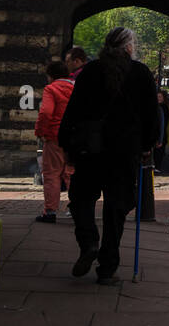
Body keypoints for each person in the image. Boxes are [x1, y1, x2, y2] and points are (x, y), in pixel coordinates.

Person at [57, 26, 158, 284]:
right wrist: (149, 144)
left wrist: (66, 143)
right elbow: (150, 113)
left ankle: (89, 241)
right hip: (124, 151)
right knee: (116, 208)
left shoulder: (90, 70)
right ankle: (107, 266)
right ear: (128, 47)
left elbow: (75, 109)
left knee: (81, 199)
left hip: (91, 149)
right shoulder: (140, 73)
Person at [33, 61, 74, 223]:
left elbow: (46, 113)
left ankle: (50, 211)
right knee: (71, 174)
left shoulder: (51, 89)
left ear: (51, 75)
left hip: (55, 137)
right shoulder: (76, 88)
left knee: (52, 174)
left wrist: (40, 132)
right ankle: (76, 208)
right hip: (73, 138)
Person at [153, 90, 169, 172]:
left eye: (160, 97)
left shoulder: (162, 108)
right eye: (157, 97)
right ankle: (157, 167)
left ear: (163, 98)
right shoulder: (158, 107)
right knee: (157, 153)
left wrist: (160, 139)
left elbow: (163, 124)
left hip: (161, 135)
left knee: (158, 153)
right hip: (160, 134)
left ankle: (157, 167)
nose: (158, 98)